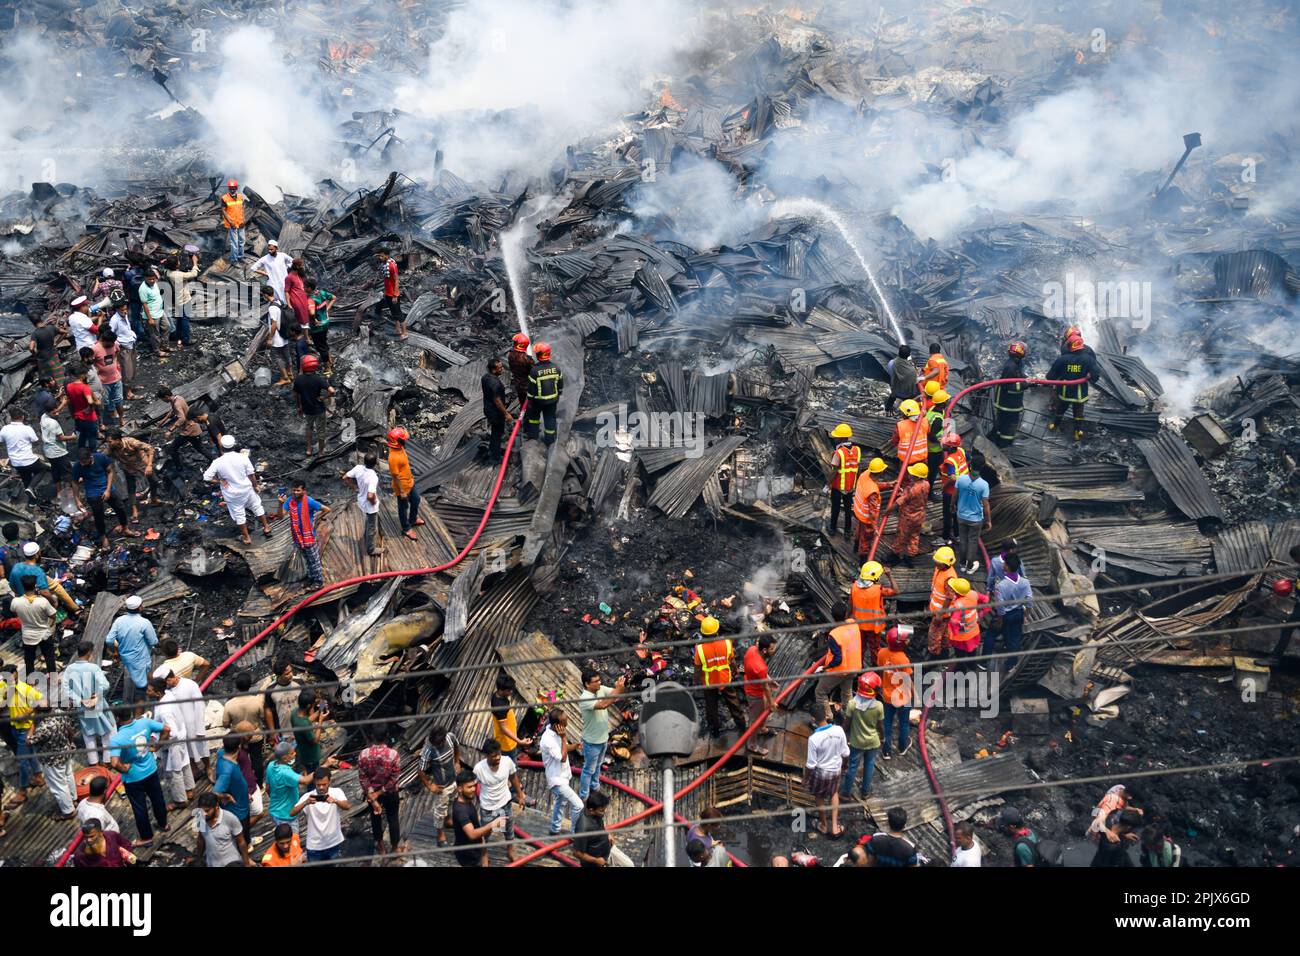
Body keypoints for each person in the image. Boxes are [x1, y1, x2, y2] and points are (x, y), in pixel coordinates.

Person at [109, 700, 170, 846]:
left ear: (117, 718)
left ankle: (146, 837)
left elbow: (114, 763)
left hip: (133, 778)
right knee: (158, 799)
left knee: (140, 807)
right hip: (151, 769)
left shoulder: (117, 739)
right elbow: (166, 729)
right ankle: (163, 825)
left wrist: (125, 769)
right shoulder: (145, 723)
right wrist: (156, 747)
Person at [204, 434, 272, 544]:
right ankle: (266, 527)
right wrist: (255, 486)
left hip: (232, 494)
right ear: (234, 445)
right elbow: (251, 474)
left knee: (239, 514)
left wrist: (220, 480)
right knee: (257, 507)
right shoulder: (243, 457)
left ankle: (246, 538)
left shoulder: (217, 462)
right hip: (247, 489)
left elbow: (206, 477)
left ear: (221, 447)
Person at [693, 616, 749, 741]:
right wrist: (735, 671)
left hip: (709, 683)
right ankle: (742, 725)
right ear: (717, 630)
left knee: (711, 708)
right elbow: (732, 661)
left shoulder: (700, 650)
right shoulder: (727, 643)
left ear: (703, 633)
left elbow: (697, 669)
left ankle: (715, 731)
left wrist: (696, 681)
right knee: (733, 703)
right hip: (725, 679)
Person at [473, 738, 526, 862]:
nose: (497, 758)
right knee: (485, 834)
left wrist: (521, 795)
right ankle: (484, 854)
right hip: (487, 808)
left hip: (505, 804)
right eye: (493, 756)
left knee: (508, 830)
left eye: (499, 754)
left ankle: (510, 851)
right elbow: (473, 787)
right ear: (486, 755)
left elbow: (513, 778)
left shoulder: (507, 762)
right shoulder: (478, 769)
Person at [64, 640, 116, 765]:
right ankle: (107, 760)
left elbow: (66, 688)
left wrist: (79, 700)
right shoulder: (93, 668)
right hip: (97, 705)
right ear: (89, 654)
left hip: (82, 706)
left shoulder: (70, 669)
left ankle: (93, 762)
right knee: (108, 731)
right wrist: (96, 696)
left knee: (88, 733)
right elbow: (105, 685)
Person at [577, 667, 623, 801]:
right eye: (596, 681)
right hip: (592, 742)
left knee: (597, 765)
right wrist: (617, 692)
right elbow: (603, 704)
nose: (599, 682)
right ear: (587, 684)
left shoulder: (600, 689)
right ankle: (584, 796)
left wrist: (622, 686)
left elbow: (616, 694)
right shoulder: (585, 698)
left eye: (599, 680)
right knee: (588, 770)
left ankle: (595, 787)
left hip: (603, 739)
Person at [0, 663, 44, 804]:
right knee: (29, 752)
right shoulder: (6, 689)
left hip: (25, 727)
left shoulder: (25, 689)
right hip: (14, 726)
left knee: (22, 760)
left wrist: (26, 713)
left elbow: (40, 701)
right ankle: (38, 776)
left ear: (15, 674)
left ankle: (22, 791)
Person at [359, 725, 405, 856]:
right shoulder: (393, 755)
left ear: (372, 737)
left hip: (372, 793)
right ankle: (395, 847)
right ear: (386, 737)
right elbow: (394, 778)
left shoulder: (363, 755)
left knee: (375, 818)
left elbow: (363, 778)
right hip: (390, 792)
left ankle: (381, 847)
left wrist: (373, 795)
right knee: (393, 818)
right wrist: (380, 792)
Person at [1047, 332, 1101, 442]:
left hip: (1065, 391)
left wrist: (1061, 374)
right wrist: (1089, 376)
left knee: (1061, 409)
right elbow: (1096, 375)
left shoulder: (1062, 359)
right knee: (1078, 412)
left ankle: (1055, 425)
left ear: (1070, 345)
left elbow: (1050, 376)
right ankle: (1078, 431)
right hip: (1079, 393)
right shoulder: (1088, 359)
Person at [804, 704, 849, 838]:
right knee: (834, 793)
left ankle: (823, 825)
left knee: (819, 796)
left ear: (813, 718)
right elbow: (845, 753)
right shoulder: (839, 730)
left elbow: (811, 765)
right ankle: (835, 827)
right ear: (826, 715)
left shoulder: (813, 739)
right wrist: (844, 766)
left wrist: (805, 779)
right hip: (836, 770)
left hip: (821, 772)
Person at [104, 595, 158, 703]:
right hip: (141, 658)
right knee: (141, 686)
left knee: (135, 675)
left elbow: (109, 640)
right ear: (139, 608)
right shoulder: (144, 623)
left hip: (125, 657)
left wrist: (115, 651)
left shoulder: (119, 621)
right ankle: (141, 709)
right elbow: (154, 642)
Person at [29, 707, 79, 819]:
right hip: (65, 751)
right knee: (68, 776)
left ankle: (68, 811)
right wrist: (71, 743)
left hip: (52, 760)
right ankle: (73, 799)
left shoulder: (44, 727)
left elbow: (29, 741)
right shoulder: (59, 712)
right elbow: (70, 729)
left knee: (58, 786)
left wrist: (33, 723)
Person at [292, 767, 350, 863]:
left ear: (329, 782)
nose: (321, 787)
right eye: (319, 785)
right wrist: (305, 803)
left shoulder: (336, 792)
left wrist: (335, 801)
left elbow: (347, 806)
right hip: (314, 846)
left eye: (324, 784)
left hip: (333, 842)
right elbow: (292, 813)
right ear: (314, 782)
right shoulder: (308, 796)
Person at [279, 481, 330, 591]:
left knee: (314, 560)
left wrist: (317, 519)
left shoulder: (309, 501)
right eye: (294, 490)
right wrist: (280, 503)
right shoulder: (289, 501)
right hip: (297, 536)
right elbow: (281, 515)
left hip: (308, 537)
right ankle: (311, 578)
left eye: (298, 490)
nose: (295, 492)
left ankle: (318, 581)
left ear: (304, 491)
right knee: (307, 559)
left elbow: (326, 509)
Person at [541, 708, 584, 834]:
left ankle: (555, 829)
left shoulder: (557, 731)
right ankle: (574, 833)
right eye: (564, 722)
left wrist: (574, 746)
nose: (567, 724)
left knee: (561, 802)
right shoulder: (548, 739)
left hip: (564, 776)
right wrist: (564, 738)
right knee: (578, 805)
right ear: (556, 725)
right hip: (556, 779)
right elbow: (563, 757)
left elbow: (563, 749)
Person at [814, 604, 861, 720]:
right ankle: (849, 716)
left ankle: (827, 717)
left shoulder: (834, 634)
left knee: (820, 692)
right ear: (846, 614)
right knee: (847, 693)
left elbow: (838, 659)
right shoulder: (854, 624)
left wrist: (824, 668)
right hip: (854, 667)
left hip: (839, 670)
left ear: (832, 616)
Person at [842, 672, 884, 799]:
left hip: (857, 742)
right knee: (869, 766)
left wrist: (843, 738)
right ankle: (865, 793)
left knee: (852, 767)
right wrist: (882, 737)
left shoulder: (852, 704)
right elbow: (880, 726)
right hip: (873, 742)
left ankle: (845, 793)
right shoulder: (878, 706)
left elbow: (846, 725)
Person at [418, 727, 460, 847]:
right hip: (441, 786)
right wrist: (430, 785)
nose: (437, 745)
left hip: (453, 780)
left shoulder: (451, 737)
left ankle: (448, 820)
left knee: (452, 802)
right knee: (440, 811)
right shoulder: (428, 750)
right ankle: (440, 835)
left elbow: (457, 748)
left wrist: (457, 762)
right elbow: (421, 771)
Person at [451, 769, 503, 866]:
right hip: (469, 857)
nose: (473, 789)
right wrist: (492, 825)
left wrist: (484, 856)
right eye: (469, 787)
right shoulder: (461, 811)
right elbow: (472, 834)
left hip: (477, 850)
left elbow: (476, 827)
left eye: (474, 786)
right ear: (459, 789)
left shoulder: (467, 800)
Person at [850, 560, 898, 665]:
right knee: (875, 650)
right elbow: (896, 591)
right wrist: (889, 576)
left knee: (860, 649)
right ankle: (875, 670)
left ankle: (858, 669)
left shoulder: (854, 587)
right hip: (873, 628)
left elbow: (850, 606)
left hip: (859, 627)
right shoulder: (878, 590)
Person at [106, 429, 158, 522]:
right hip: (128, 467)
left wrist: (149, 465)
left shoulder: (131, 442)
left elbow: (150, 448)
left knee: (154, 481)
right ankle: (134, 509)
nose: (108, 444)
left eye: (110, 441)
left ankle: (153, 499)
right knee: (131, 487)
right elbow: (103, 457)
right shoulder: (111, 449)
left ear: (118, 440)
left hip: (142, 465)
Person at [990, 554, 1032, 669]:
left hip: (1006, 615)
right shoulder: (1025, 582)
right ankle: (1012, 663)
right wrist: (1026, 615)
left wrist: (1000, 619)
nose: (1003, 565)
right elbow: (1029, 601)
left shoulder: (1001, 585)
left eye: (1004, 563)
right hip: (1018, 613)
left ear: (1007, 567)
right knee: (1015, 638)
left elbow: (1000, 605)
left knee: (997, 634)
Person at [573, 790, 635, 867]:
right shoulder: (583, 828)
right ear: (591, 810)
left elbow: (599, 825)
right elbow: (577, 853)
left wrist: (607, 834)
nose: (604, 812)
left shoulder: (594, 810)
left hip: (608, 849)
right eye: (602, 810)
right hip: (596, 861)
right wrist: (596, 860)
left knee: (629, 865)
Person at [878, 627, 913, 759]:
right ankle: (902, 747)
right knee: (903, 723)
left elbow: (881, 669)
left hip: (887, 696)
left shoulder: (881, 653)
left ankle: (886, 751)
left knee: (887, 723)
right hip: (903, 697)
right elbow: (908, 678)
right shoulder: (903, 659)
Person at [954, 453, 991, 574]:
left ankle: (962, 564)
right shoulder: (984, 485)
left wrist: (952, 506)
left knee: (963, 540)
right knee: (973, 541)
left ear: (970, 465)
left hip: (961, 516)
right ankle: (970, 566)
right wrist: (988, 520)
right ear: (982, 467)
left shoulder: (961, 479)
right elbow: (985, 505)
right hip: (975, 519)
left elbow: (955, 495)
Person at [12, 575, 57, 674]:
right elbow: (53, 615)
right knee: (49, 658)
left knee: (29, 660)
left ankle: (30, 680)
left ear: (23, 586)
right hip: (44, 634)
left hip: (28, 635)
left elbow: (14, 611)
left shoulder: (16, 602)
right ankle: (53, 679)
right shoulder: (42, 602)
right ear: (35, 585)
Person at [887, 462, 930, 565]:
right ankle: (910, 556)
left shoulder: (913, 490)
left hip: (908, 517)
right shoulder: (926, 484)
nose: (910, 475)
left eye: (912, 474)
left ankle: (895, 556)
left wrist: (887, 511)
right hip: (919, 516)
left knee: (901, 536)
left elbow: (899, 502)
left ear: (917, 476)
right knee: (914, 536)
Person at [194, 792, 253, 867]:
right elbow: (200, 839)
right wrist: (198, 859)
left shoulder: (230, 818)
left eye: (207, 810)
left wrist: (246, 863)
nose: (204, 814)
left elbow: (241, 842)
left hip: (231, 864)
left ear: (216, 806)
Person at [293, 353, 334, 457]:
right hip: (319, 409)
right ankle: (320, 452)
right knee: (321, 431)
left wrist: (298, 407)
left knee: (309, 428)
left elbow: (295, 395)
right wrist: (324, 398)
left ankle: (308, 449)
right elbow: (332, 391)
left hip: (307, 409)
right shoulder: (319, 379)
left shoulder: (298, 380)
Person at [159, 386, 211, 469]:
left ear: (166, 397)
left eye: (162, 399)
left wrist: (170, 430)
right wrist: (164, 419)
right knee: (200, 448)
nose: (163, 401)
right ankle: (213, 459)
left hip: (188, 430)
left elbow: (182, 418)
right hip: (192, 427)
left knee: (173, 449)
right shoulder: (178, 397)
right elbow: (174, 410)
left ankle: (179, 468)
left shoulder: (176, 404)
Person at [742, 635, 778, 753]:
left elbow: (760, 674)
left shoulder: (752, 649)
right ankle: (752, 745)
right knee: (755, 720)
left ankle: (762, 729)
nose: (774, 651)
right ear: (764, 650)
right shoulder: (760, 666)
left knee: (763, 711)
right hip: (755, 694)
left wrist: (769, 680)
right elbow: (766, 688)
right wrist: (772, 702)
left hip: (751, 684)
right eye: (772, 649)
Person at [342, 452, 382, 557]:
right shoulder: (373, 477)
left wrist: (354, 487)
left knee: (368, 522)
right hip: (370, 506)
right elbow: (370, 496)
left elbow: (345, 477)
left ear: (364, 461)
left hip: (361, 500)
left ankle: (365, 536)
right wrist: (374, 503)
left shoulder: (358, 468)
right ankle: (371, 549)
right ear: (375, 463)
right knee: (372, 528)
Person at [386, 427, 422, 541]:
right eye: (403, 439)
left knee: (416, 499)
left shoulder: (400, 448)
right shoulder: (393, 458)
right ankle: (406, 528)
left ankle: (413, 519)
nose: (406, 440)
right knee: (403, 508)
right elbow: (395, 476)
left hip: (410, 481)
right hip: (402, 487)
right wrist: (401, 491)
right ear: (398, 442)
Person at [525, 341, 563, 444]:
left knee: (534, 418)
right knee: (550, 419)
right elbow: (560, 386)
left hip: (538, 401)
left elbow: (531, 389)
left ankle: (534, 437)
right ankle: (549, 440)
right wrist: (557, 396)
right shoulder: (556, 368)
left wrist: (530, 400)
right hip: (552, 401)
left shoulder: (534, 370)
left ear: (539, 355)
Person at [990, 341, 1027, 446]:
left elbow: (1018, 376)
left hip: (1008, 403)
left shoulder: (1016, 363)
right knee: (1009, 426)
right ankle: (1005, 445)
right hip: (1008, 404)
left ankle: (996, 441)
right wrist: (1025, 385)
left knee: (1001, 424)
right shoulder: (1011, 367)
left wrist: (1027, 379)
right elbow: (1007, 386)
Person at [826, 423, 859, 537]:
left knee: (835, 508)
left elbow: (834, 471)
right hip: (850, 486)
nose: (834, 438)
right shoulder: (857, 450)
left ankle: (833, 529)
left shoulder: (839, 453)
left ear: (841, 438)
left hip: (838, 486)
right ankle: (848, 531)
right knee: (848, 509)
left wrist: (827, 485)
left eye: (836, 436)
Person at [946, 578, 989, 665]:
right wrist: (981, 613)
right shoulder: (972, 593)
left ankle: (962, 670)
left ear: (957, 592)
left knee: (960, 656)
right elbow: (986, 600)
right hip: (974, 632)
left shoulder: (958, 605)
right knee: (972, 653)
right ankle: (972, 667)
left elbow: (954, 622)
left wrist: (952, 634)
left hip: (962, 637)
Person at [489, 674, 532, 760]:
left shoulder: (497, 695)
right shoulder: (500, 707)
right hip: (507, 744)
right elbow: (504, 729)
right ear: (501, 690)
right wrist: (519, 741)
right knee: (512, 766)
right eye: (509, 690)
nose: (511, 692)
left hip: (506, 739)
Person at [852, 456, 887, 556]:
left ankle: (855, 546)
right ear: (881, 472)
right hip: (867, 519)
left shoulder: (865, 475)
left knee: (859, 531)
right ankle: (863, 561)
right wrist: (875, 527)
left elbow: (873, 484)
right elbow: (872, 512)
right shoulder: (873, 493)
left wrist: (889, 485)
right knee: (866, 541)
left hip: (858, 512)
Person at [164, 251, 200, 349]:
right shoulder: (178, 275)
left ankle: (178, 335)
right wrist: (195, 262)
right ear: (176, 265)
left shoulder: (167, 272)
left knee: (180, 317)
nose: (179, 262)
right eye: (178, 262)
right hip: (184, 299)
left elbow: (167, 269)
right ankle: (186, 339)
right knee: (185, 319)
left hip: (176, 299)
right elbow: (194, 273)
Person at [482, 358, 514, 465]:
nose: (503, 369)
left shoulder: (485, 378)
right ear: (493, 370)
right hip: (495, 413)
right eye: (500, 368)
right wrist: (506, 414)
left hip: (488, 409)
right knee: (497, 434)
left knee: (495, 432)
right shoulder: (495, 384)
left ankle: (492, 450)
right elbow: (497, 401)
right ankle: (495, 458)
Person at [1, 409, 42, 492]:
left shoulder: (5, 429)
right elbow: (36, 442)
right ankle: (31, 487)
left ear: (11, 418)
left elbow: (0, 442)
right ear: (22, 417)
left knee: (26, 478)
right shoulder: (27, 429)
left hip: (15, 462)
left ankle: (32, 502)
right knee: (42, 470)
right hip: (28, 460)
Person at [262, 656, 300, 745]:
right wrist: (272, 731)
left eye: (291, 671)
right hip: (283, 731)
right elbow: (268, 710)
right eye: (287, 673)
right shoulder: (271, 690)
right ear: (279, 675)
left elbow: (308, 701)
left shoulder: (299, 682)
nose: (290, 674)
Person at [262, 284, 292, 386]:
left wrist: (270, 338)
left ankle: (285, 378)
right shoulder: (279, 301)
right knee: (287, 354)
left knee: (278, 356)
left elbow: (274, 324)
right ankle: (290, 373)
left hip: (277, 336)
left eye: (263, 295)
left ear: (266, 295)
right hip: (285, 332)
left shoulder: (272, 308)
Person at [29, 313, 66, 394]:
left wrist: (35, 353)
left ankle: (52, 392)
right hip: (54, 354)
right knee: (58, 374)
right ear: (41, 318)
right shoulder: (51, 328)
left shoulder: (35, 333)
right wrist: (56, 342)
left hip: (43, 358)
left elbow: (31, 347)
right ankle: (62, 390)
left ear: (32, 323)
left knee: (46, 377)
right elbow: (64, 332)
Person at [66, 363, 100, 451]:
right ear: (81, 375)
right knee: (92, 437)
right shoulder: (84, 387)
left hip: (77, 417)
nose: (86, 375)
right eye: (85, 374)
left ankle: (81, 452)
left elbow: (69, 402)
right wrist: (90, 408)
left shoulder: (69, 386)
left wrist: (72, 413)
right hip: (89, 418)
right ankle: (93, 453)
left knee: (82, 435)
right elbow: (90, 401)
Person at [290, 689, 326, 773]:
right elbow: (315, 740)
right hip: (311, 757)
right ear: (308, 706)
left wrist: (320, 709)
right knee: (313, 778)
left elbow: (308, 720)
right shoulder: (303, 724)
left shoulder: (294, 713)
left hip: (302, 752)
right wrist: (320, 721)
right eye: (313, 704)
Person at [374, 247, 407, 339]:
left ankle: (405, 333)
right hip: (388, 294)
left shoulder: (392, 265)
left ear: (387, 255)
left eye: (381, 256)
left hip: (393, 295)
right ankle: (397, 328)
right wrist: (386, 292)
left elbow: (396, 280)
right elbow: (388, 281)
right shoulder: (385, 264)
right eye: (379, 256)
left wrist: (395, 295)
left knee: (399, 314)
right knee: (393, 312)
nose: (380, 257)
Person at [138, 267, 171, 355]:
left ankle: (164, 345)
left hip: (160, 311)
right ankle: (157, 350)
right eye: (150, 279)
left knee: (167, 327)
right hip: (152, 314)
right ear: (145, 278)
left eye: (153, 278)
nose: (152, 281)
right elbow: (144, 304)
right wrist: (150, 319)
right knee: (154, 334)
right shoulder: (143, 289)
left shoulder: (155, 283)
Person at [305, 277, 334, 372]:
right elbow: (334, 298)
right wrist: (327, 309)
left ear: (309, 288)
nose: (304, 288)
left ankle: (327, 367)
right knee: (324, 342)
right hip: (325, 322)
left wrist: (313, 320)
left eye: (305, 286)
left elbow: (312, 313)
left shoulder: (311, 299)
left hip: (317, 327)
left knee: (320, 347)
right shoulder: (321, 293)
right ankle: (330, 360)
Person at [889, 398, 928, 471]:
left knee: (906, 481)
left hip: (907, 461)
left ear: (905, 413)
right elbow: (928, 432)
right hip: (922, 460)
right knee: (921, 477)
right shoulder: (925, 421)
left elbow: (894, 441)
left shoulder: (900, 425)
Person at [252, 238, 291, 302]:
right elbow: (254, 268)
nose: (270, 251)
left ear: (276, 248)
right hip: (274, 283)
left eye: (272, 249)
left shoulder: (282, 255)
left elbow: (292, 262)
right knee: (277, 299)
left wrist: (286, 267)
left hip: (284, 280)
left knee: (287, 296)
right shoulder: (265, 259)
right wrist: (265, 273)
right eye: (269, 249)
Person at [884, 344, 917, 416]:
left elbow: (891, 374)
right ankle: (906, 414)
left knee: (891, 398)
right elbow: (914, 381)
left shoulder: (892, 363)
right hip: (907, 394)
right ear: (908, 355)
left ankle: (887, 410)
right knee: (910, 403)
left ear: (898, 352)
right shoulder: (912, 371)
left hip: (895, 390)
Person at [219, 179, 246, 263]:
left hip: (240, 222)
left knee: (242, 241)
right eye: (231, 188)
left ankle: (240, 256)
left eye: (234, 188)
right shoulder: (225, 198)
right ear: (229, 188)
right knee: (234, 243)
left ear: (236, 188)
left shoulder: (241, 197)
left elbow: (242, 209)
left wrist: (243, 220)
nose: (232, 190)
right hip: (232, 224)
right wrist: (230, 222)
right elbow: (223, 211)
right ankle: (234, 260)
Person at [284, 257, 311, 336]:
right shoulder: (289, 277)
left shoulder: (299, 275)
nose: (303, 267)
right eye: (301, 265)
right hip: (296, 300)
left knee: (306, 318)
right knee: (303, 319)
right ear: (297, 266)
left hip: (303, 299)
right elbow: (286, 291)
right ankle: (306, 338)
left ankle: (305, 336)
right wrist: (289, 304)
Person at [508, 333, 533, 408]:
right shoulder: (528, 360)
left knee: (522, 403)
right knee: (531, 405)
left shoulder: (510, 356)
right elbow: (533, 372)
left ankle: (524, 415)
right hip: (528, 386)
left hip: (518, 385)